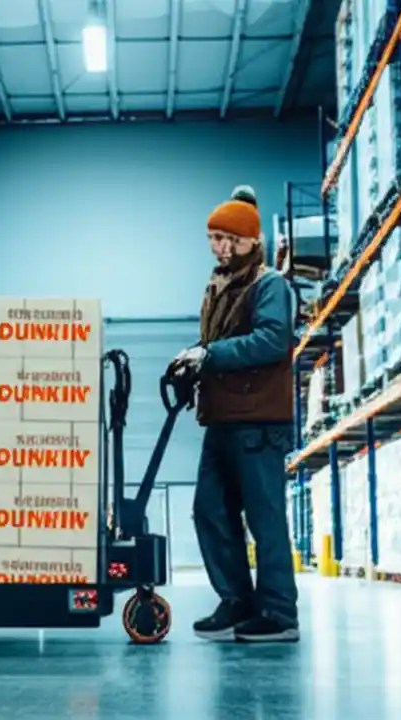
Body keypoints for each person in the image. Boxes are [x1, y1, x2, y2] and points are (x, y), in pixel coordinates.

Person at [170, 190, 299, 643]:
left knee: (265, 518)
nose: (219, 247)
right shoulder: (219, 284)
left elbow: (271, 340)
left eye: (227, 239)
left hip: (259, 420)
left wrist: (211, 354)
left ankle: (280, 614)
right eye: (213, 238)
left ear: (250, 241)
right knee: (210, 510)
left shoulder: (270, 285)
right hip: (223, 418)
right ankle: (237, 601)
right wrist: (194, 363)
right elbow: (216, 344)